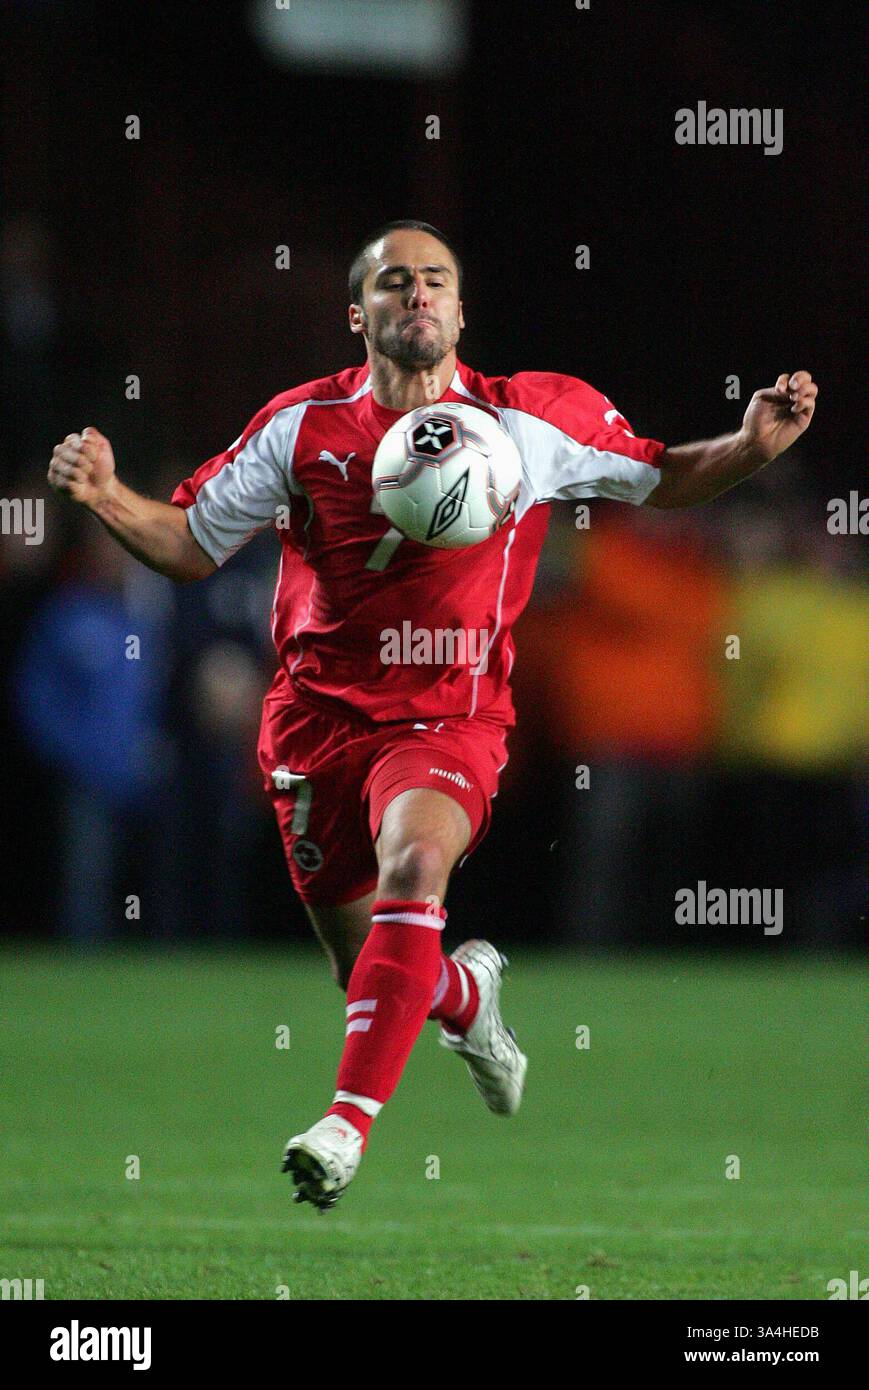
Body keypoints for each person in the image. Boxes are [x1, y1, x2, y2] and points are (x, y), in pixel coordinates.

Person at [47, 219, 818, 1209]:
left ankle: (343, 1125)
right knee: (365, 965)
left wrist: (748, 446)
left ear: (458, 309)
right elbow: (193, 542)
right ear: (357, 312)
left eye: (435, 281)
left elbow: (659, 473)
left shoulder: (530, 418)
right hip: (315, 723)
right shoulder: (300, 425)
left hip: (448, 720)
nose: (416, 294)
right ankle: (464, 994)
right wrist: (110, 497)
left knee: (417, 864)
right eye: (394, 281)